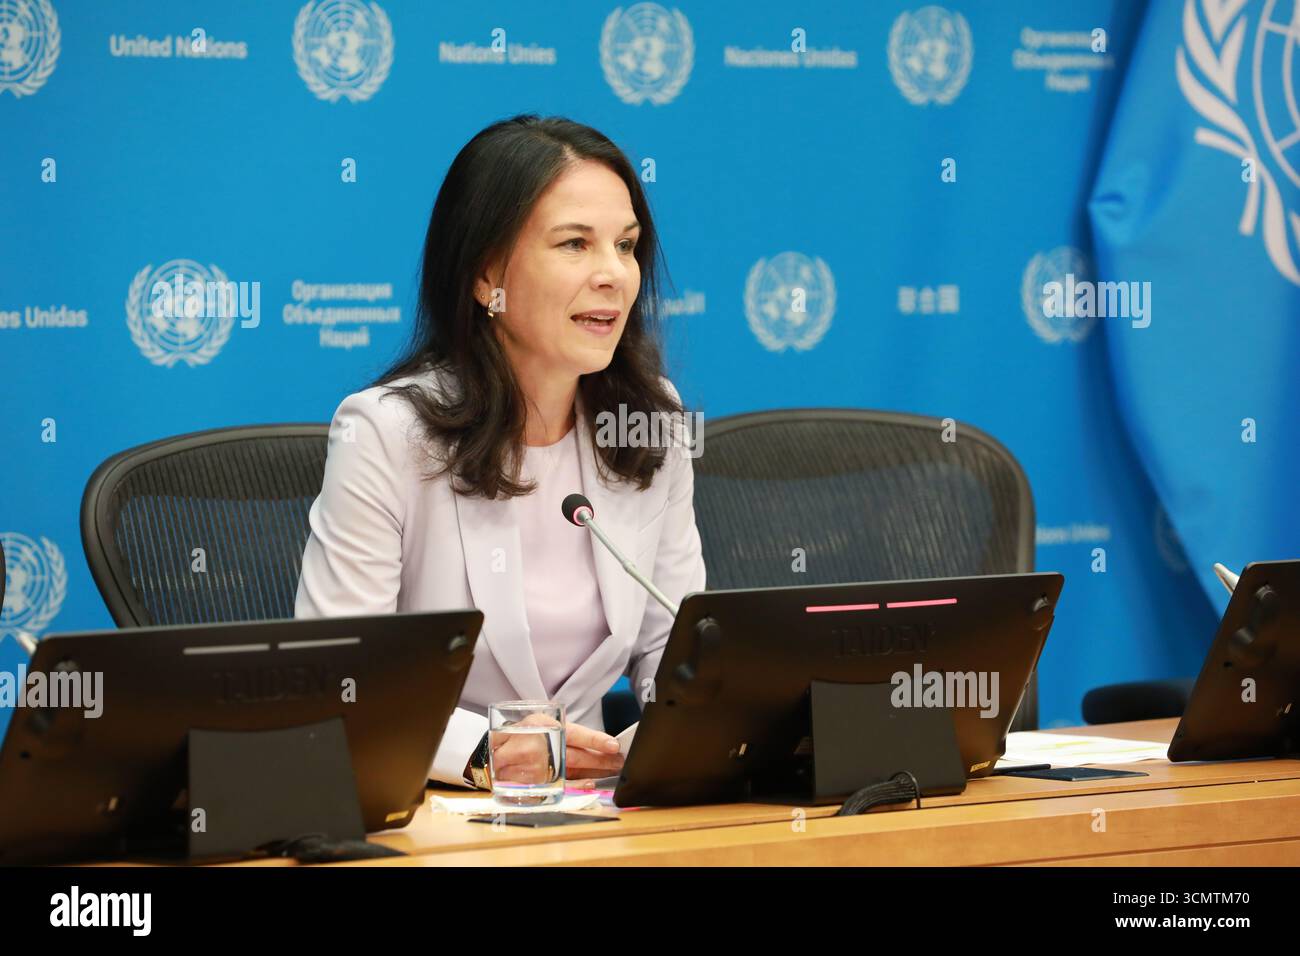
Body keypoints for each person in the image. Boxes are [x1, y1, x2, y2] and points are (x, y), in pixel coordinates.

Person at [294, 114, 706, 789]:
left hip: (597, 808)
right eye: (574, 243)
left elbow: (675, 643)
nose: (614, 275)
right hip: (435, 803)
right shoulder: (386, 434)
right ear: (487, 275)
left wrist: (686, 726)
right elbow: (338, 680)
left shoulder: (647, 420)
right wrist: (486, 752)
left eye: (626, 245)